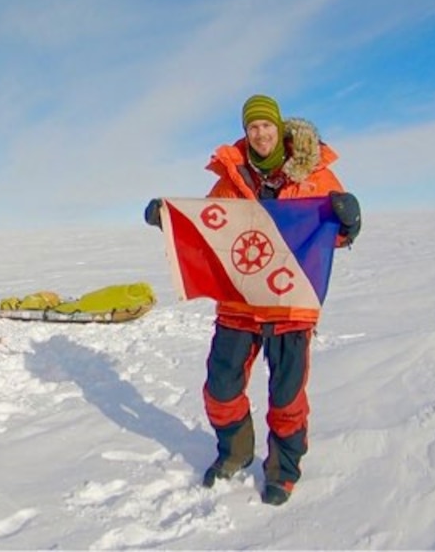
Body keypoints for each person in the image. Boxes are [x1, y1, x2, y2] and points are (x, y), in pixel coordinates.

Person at [143, 94, 361, 506]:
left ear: (279, 128)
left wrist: (350, 221)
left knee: (287, 397)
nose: (260, 133)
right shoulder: (229, 180)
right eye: (252, 127)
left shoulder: (316, 176)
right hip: (239, 305)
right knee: (220, 390)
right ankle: (235, 453)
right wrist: (168, 219)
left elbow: (331, 236)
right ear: (245, 132)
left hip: (289, 305)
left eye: (266, 125)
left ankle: (283, 471)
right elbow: (208, 228)